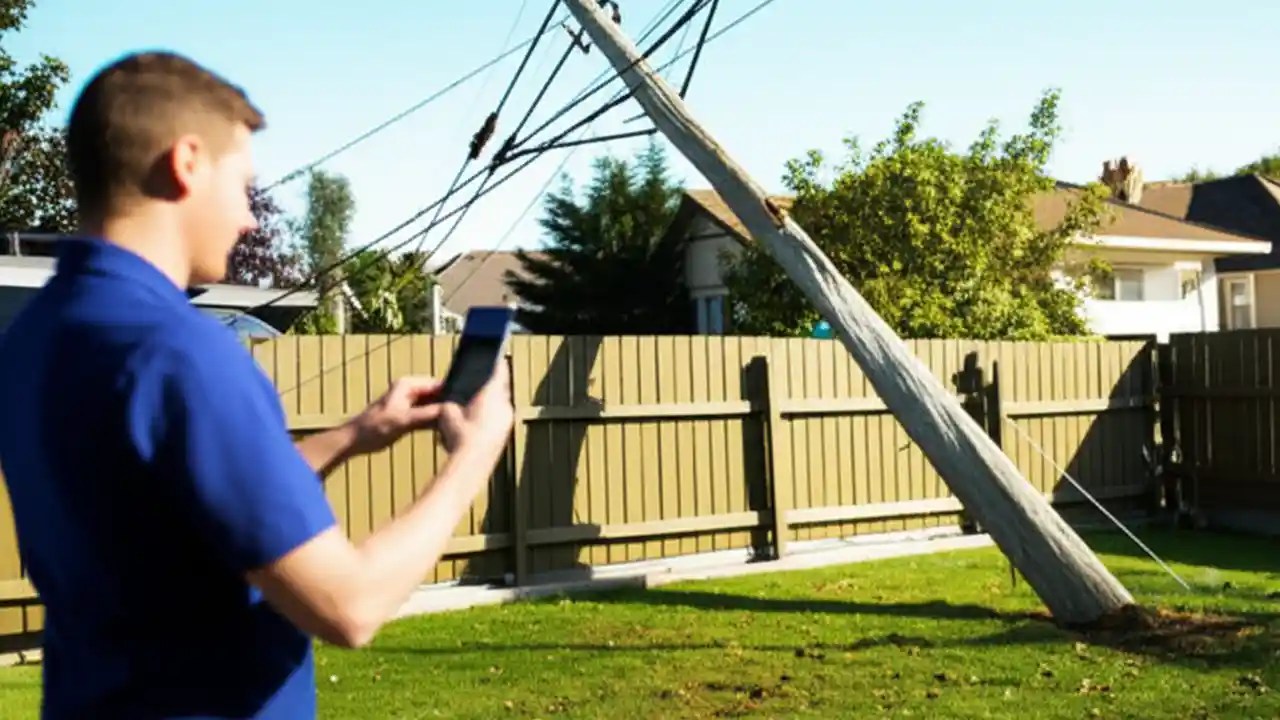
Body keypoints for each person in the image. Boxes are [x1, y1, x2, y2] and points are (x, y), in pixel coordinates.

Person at [0, 50, 514, 719]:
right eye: (242, 184)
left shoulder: (34, 336)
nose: (248, 217)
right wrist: (473, 458)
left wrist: (353, 436)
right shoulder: (180, 353)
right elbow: (349, 606)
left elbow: (178, 504)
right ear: (185, 163)